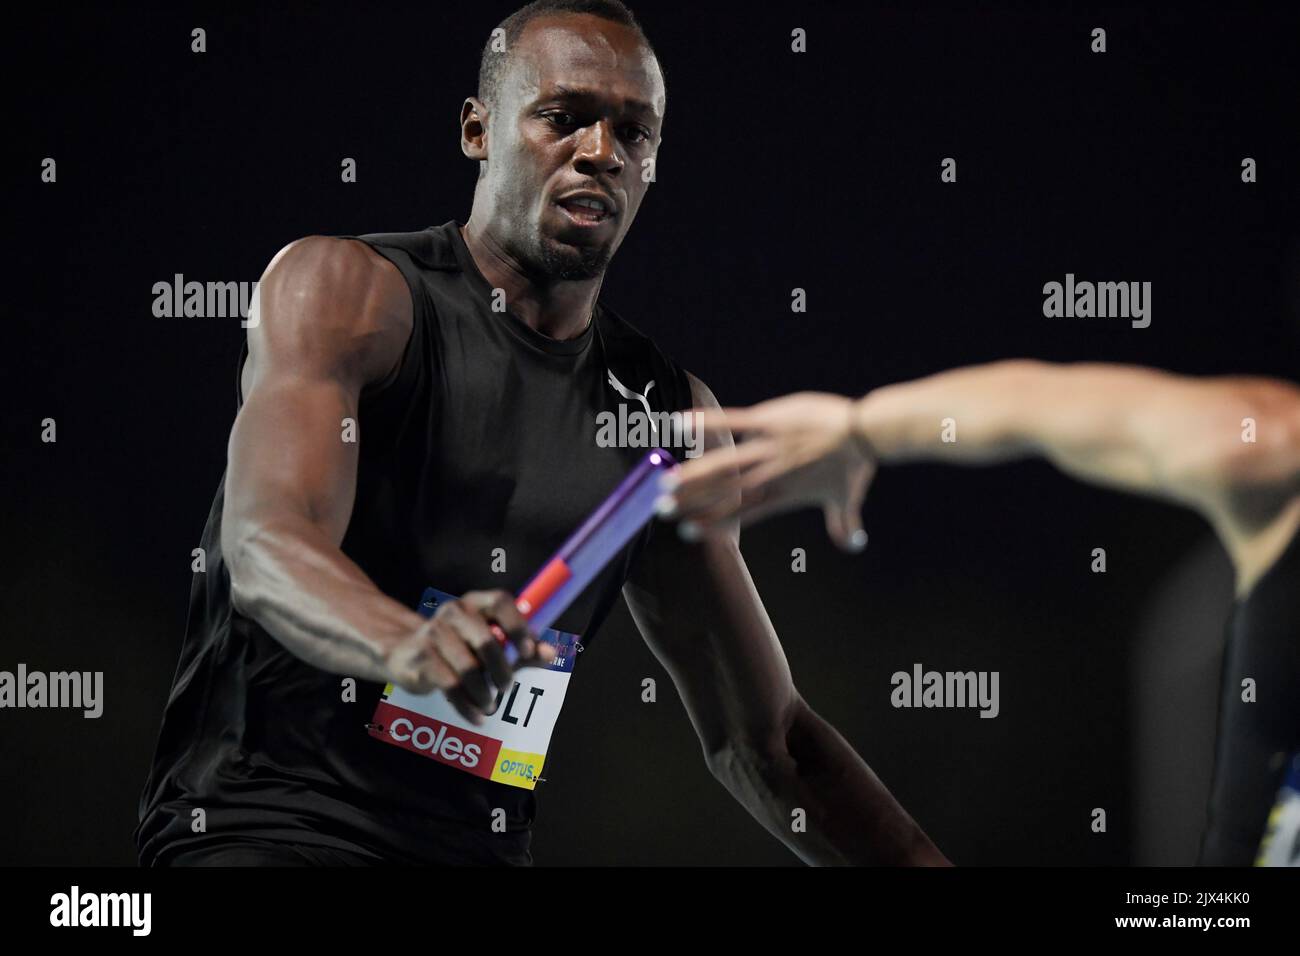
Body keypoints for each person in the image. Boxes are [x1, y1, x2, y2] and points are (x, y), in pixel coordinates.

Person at [134, 0, 947, 867]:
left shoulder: (664, 420)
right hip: (270, 830)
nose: (600, 152)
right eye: (563, 119)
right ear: (478, 131)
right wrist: (405, 641)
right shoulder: (346, 294)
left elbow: (769, 745)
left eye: (633, 133)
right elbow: (264, 543)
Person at [662, 361, 1300, 864]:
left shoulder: (1268, 449)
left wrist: (862, 427)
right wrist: (861, 427)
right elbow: (1054, 407)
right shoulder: (1269, 451)